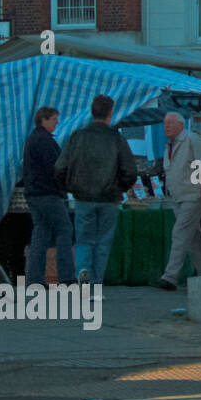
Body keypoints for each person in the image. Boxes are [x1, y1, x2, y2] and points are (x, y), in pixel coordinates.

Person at [54, 95, 138, 286]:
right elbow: (130, 171)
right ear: (110, 114)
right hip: (110, 198)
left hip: (83, 197)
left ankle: (83, 277)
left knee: (84, 240)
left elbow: (60, 168)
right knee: (103, 243)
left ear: (91, 113)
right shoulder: (117, 138)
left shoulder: (77, 137)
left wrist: (71, 187)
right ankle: (95, 285)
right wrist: (119, 188)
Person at [157, 112, 201, 291]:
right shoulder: (170, 145)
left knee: (180, 233)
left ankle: (170, 276)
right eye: (164, 123)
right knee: (192, 238)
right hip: (179, 196)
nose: (166, 126)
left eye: (170, 123)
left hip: (193, 195)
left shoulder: (192, 140)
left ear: (181, 125)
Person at [22, 106, 75, 285]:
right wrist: (65, 187)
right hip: (48, 193)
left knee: (41, 233)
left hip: (33, 194)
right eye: (54, 119)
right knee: (64, 229)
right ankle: (66, 277)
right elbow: (55, 168)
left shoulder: (32, 139)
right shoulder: (45, 141)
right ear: (43, 120)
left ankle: (34, 279)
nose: (57, 122)